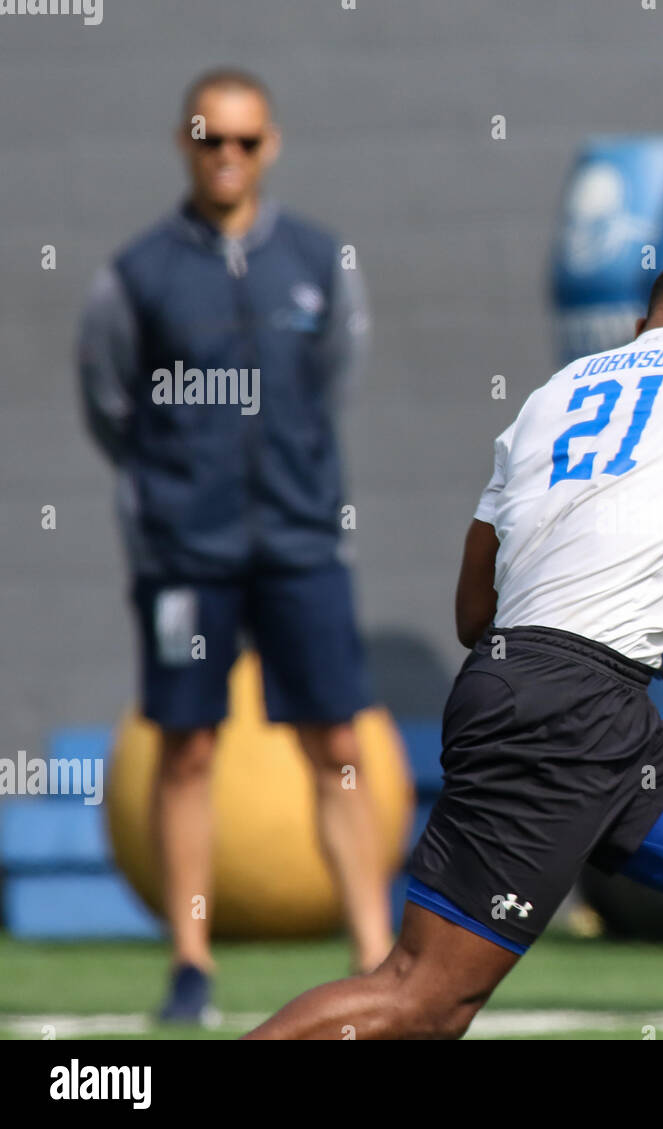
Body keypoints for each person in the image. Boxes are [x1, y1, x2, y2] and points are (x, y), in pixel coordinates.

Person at [245, 250, 663, 1040]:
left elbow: (476, 611)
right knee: (422, 998)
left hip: (550, 693)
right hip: (571, 712)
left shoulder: (552, 396)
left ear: (642, 328)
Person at [77, 69, 389, 1023]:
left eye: (246, 142)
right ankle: (191, 964)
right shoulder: (136, 275)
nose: (228, 157)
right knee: (185, 750)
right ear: (185, 143)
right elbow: (110, 404)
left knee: (337, 741)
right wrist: (182, 492)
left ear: (271, 145)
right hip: (187, 557)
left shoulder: (318, 260)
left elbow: (336, 377)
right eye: (211, 139)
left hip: (299, 543)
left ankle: (377, 955)